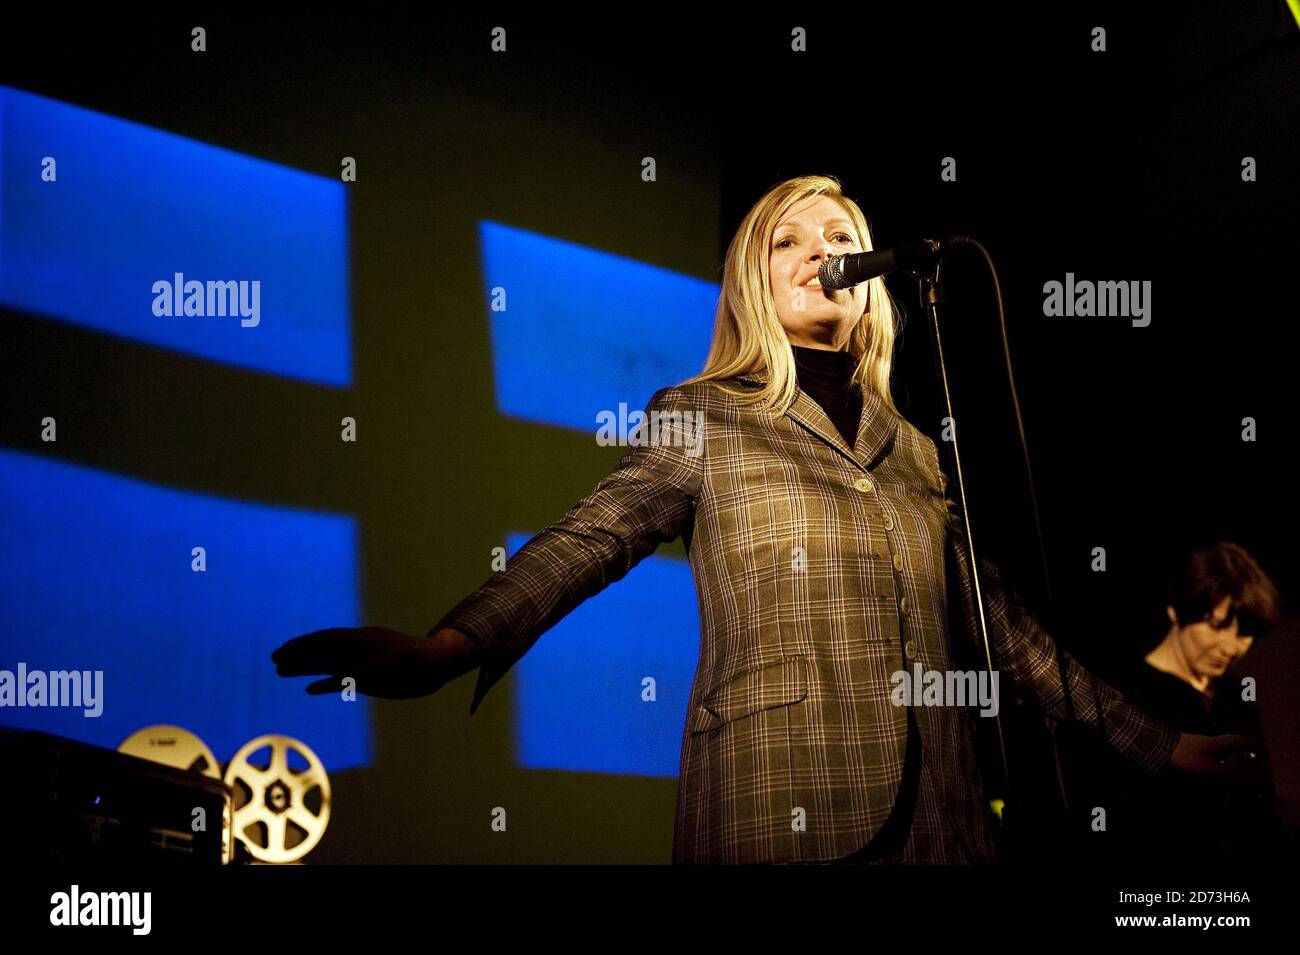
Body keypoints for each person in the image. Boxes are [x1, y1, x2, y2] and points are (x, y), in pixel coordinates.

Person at [272, 174, 1253, 864]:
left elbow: (1008, 635)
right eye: (787, 238)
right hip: (776, 805)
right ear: (752, 280)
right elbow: (591, 538)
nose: (819, 251)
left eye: (836, 235)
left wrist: (1161, 745)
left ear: (867, 279)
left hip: (948, 831)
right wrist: (449, 645)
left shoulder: (915, 449)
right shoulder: (704, 416)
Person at [1060, 542, 1286, 865]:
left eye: (1245, 633)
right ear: (1177, 611)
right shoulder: (1124, 698)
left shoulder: (1236, 697)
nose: (1232, 646)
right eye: (1218, 626)